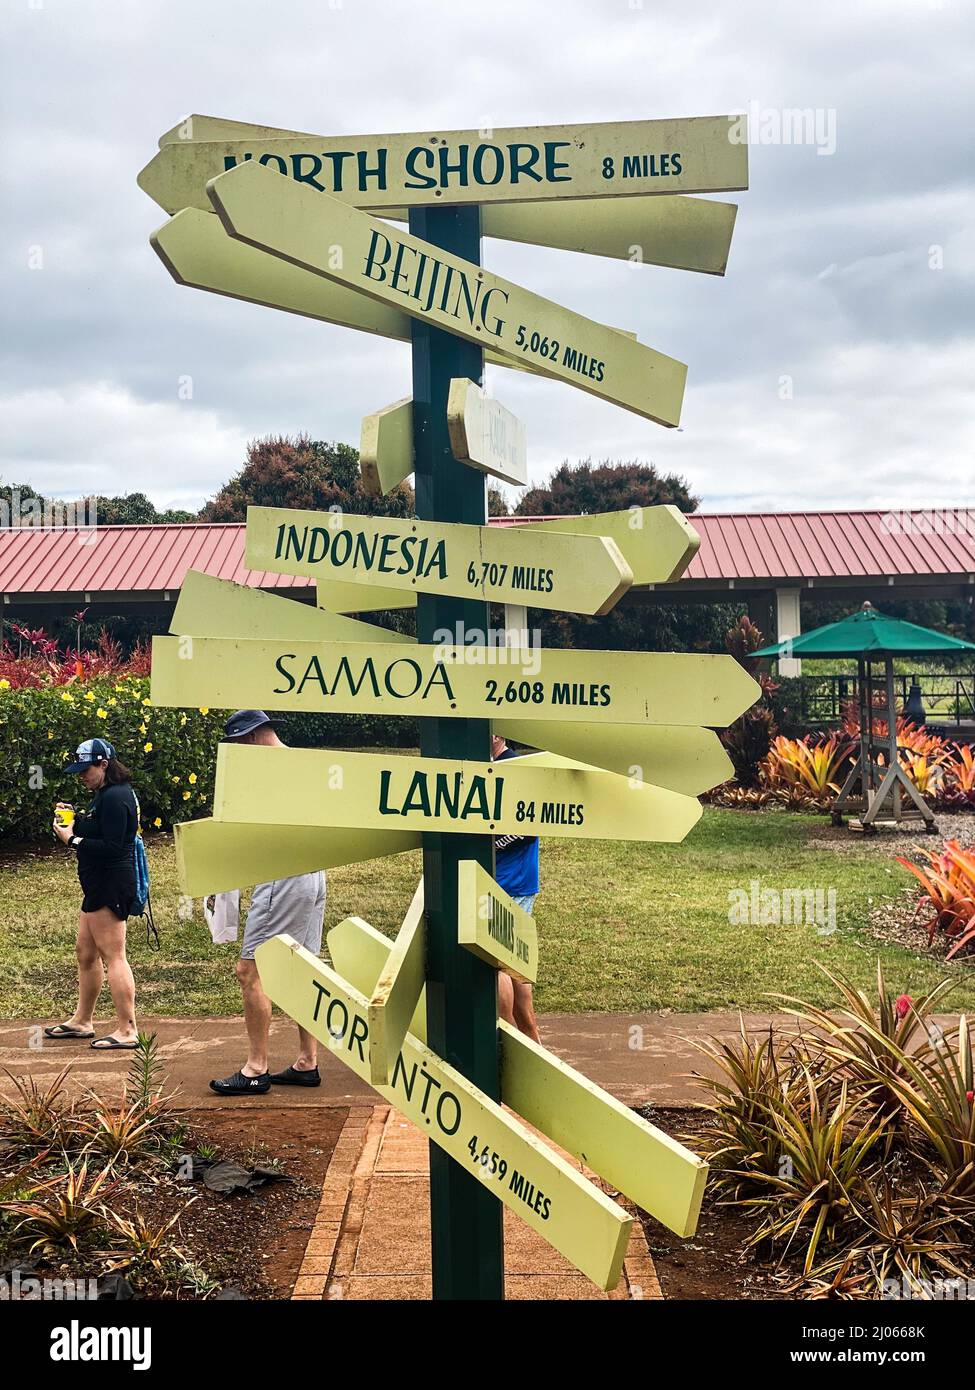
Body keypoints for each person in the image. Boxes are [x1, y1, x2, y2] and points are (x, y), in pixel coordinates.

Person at [209, 710, 327, 1097]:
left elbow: (258, 833)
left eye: (239, 744)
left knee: (250, 970)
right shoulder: (302, 764)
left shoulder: (270, 774)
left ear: (253, 738)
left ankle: (256, 1068)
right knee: (301, 968)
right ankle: (307, 1062)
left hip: (282, 877)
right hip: (312, 873)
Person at [47, 737, 140, 1050]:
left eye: (86, 770)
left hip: (111, 884)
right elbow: (99, 829)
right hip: (97, 886)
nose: (82, 776)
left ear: (104, 764)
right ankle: (82, 1021)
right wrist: (75, 817)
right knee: (86, 953)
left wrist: (71, 840)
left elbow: (113, 846)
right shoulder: (105, 795)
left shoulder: (116, 797)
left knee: (114, 957)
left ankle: (127, 1030)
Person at [491, 734, 542, 1043]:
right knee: (516, 967)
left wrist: (489, 846)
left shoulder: (513, 768)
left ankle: (509, 1042)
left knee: (497, 965)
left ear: (497, 735)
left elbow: (527, 828)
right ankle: (533, 1046)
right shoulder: (500, 767)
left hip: (510, 883)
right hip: (517, 882)